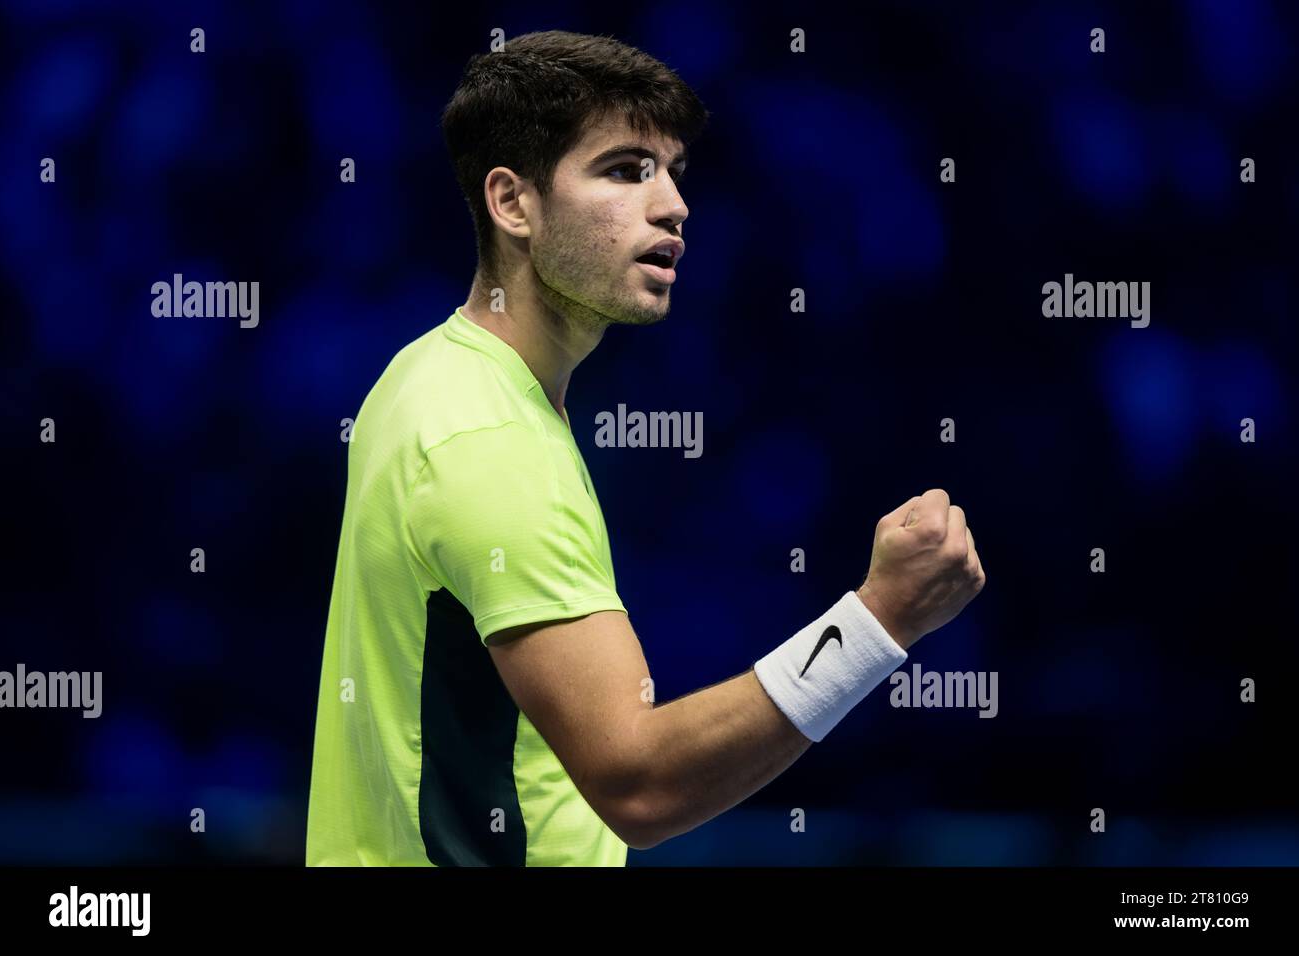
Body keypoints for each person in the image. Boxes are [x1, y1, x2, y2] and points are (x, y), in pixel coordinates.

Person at [306, 29, 985, 867]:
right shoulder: (487, 441)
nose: (673, 205)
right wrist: (881, 618)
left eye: (672, 172)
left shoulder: (428, 376)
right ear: (513, 204)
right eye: (626, 170)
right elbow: (639, 784)